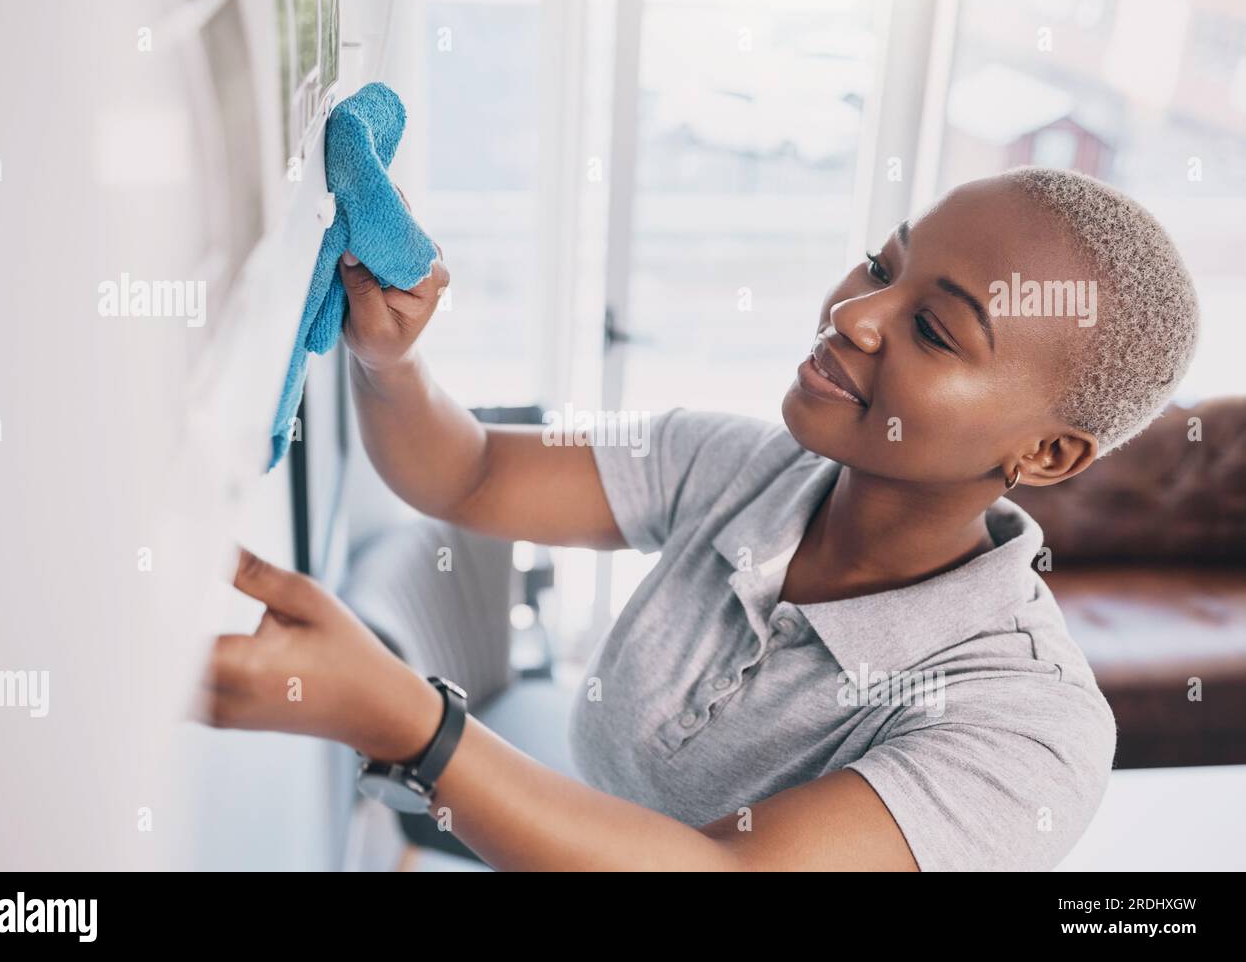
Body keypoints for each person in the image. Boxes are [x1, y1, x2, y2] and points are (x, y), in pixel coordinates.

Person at [199, 166, 1199, 870]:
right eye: (878, 265)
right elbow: (465, 477)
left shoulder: (1031, 730)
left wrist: (413, 726)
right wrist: (391, 359)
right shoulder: (746, 468)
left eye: (932, 328)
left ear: (1046, 455)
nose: (853, 315)